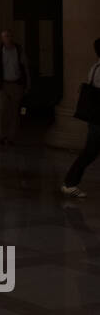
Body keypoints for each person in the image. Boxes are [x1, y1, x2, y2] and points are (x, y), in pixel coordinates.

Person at [61, 38, 100, 199]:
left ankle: (70, 183)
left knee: (90, 152)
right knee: (89, 152)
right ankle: (69, 183)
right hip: (99, 118)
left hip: (96, 117)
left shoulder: (95, 66)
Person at [0, 29, 30, 145]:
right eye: (5, 37)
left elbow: (25, 67)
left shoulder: (18, 50)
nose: (7, 38)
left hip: (16, 84)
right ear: (2, 39)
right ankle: (2, 136)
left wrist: (27, 84)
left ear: (11, 37)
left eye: (8, 36)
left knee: (14, 112)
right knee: (1, 111)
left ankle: (11, 137)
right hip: (3, 85)